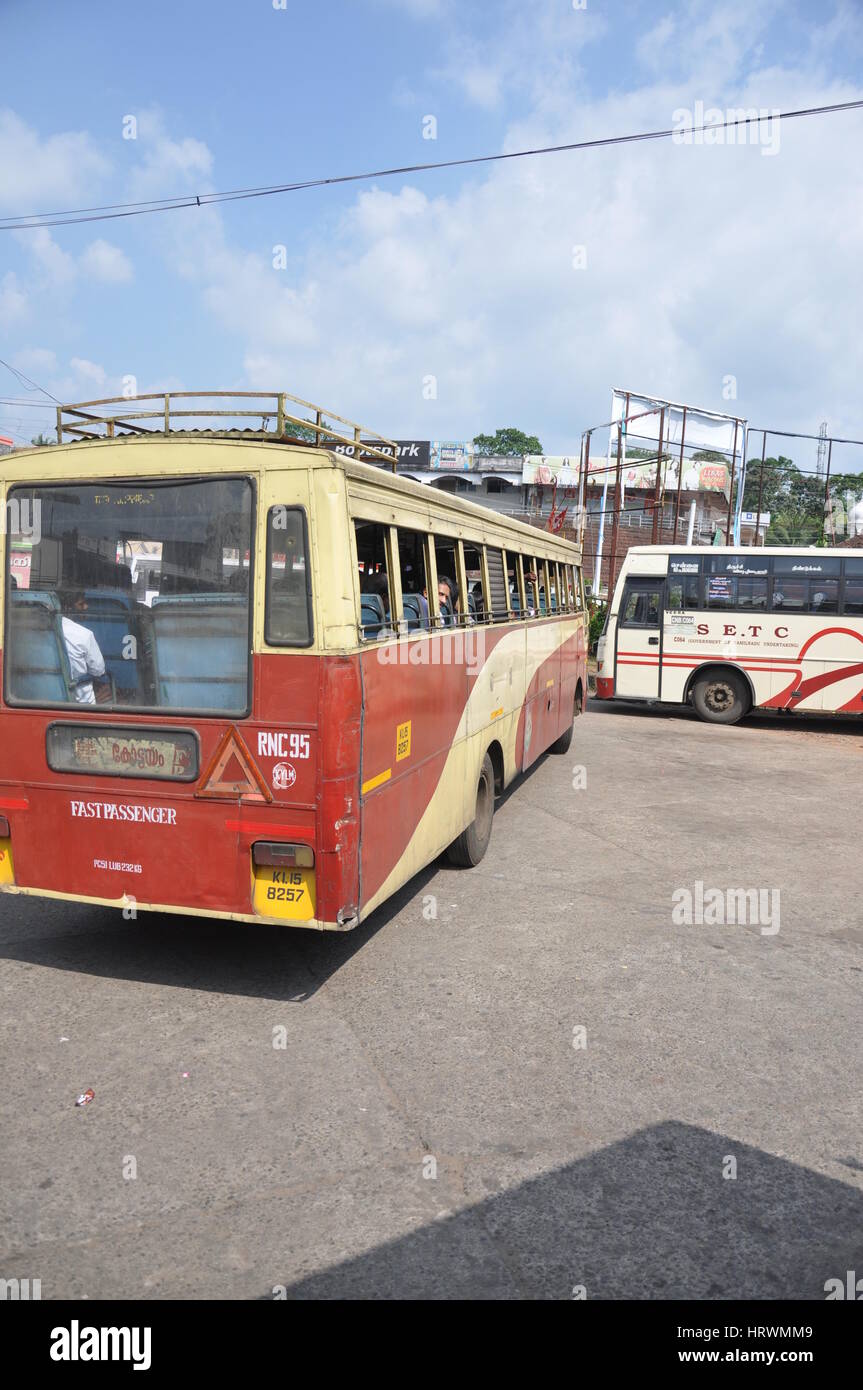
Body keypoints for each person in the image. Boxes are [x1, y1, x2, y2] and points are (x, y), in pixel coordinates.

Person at [58, 586, 111, 704]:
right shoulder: (84, 635)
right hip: (81, 702)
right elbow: (98, 670)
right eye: (81, 604)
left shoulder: (44, 631)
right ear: (67, 608)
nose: (86, 607)